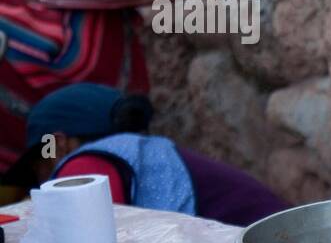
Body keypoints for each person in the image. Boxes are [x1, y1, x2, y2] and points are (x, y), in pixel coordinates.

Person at [5, 83, 287, 226]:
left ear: (58, 143)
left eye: (38, 166)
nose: (42, 181)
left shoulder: (85, 165)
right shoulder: (138, 153)